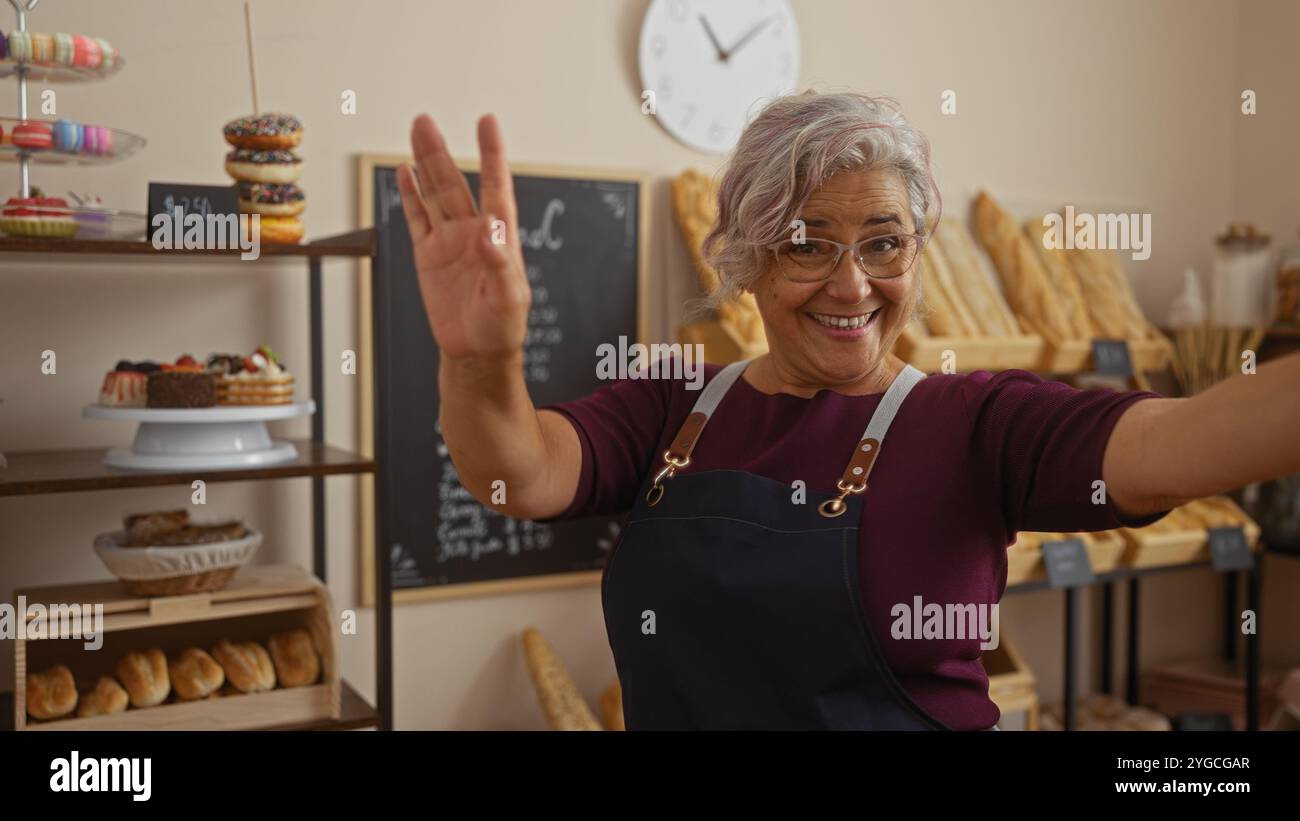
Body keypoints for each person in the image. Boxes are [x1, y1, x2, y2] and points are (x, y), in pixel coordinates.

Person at [396, 91, 1300, 730]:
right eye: (808, 246)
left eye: (884, 244)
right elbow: (518, 473)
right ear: (744, 261)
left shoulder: (972, 425)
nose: (851, 283)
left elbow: (1184, 441)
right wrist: (482, 358)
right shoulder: (675, 407)